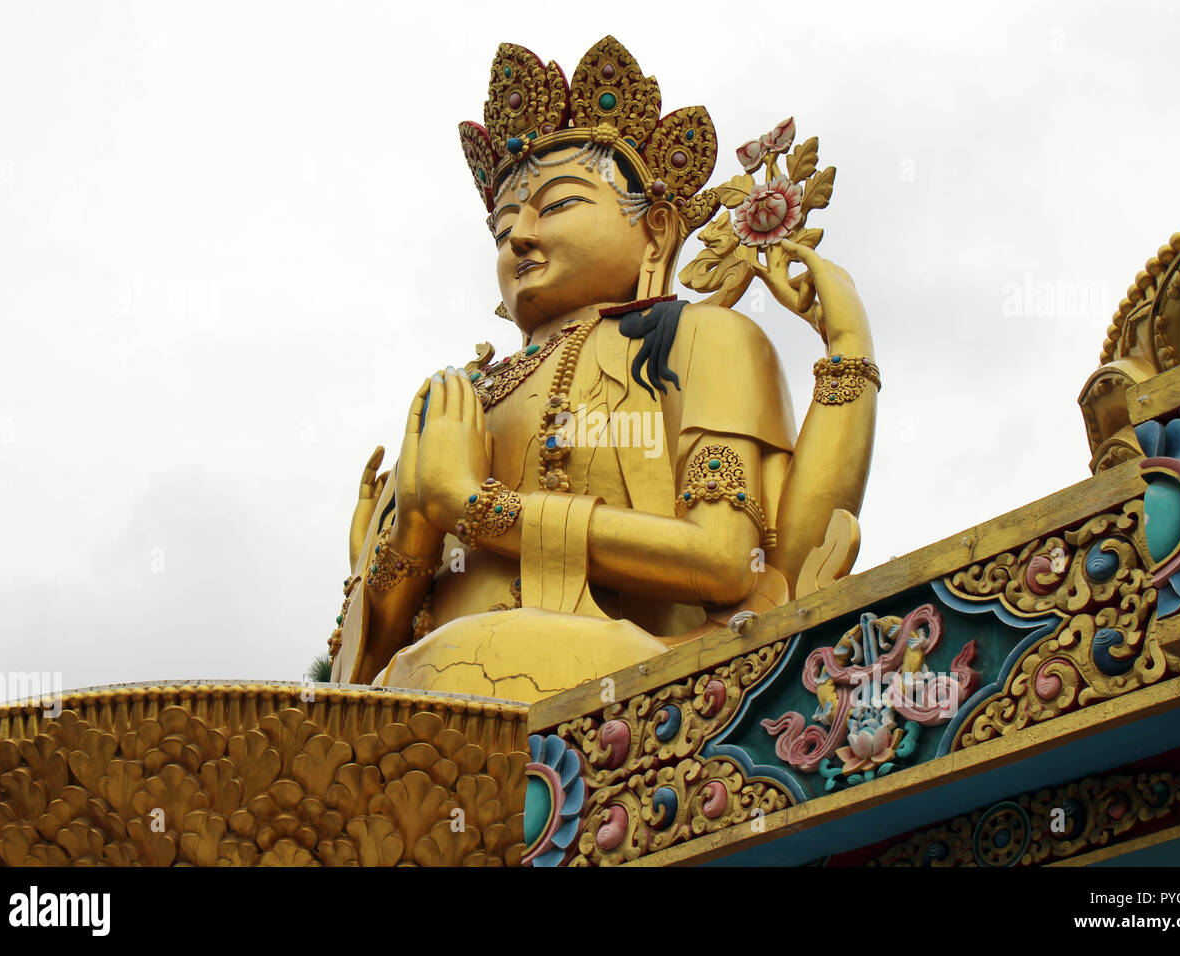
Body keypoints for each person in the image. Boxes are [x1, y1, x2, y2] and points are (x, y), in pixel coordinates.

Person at [327, 37, 878, 701]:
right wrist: (418, 518)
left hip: (622, 678)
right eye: (503, 229)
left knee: (464, 655)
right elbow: (352, 675)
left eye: (557, 205)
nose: (521, 239)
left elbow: (727, 562)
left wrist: (475, 506)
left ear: (657, 232)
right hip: (424, 698)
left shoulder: (698, 338)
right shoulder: (455, 400)